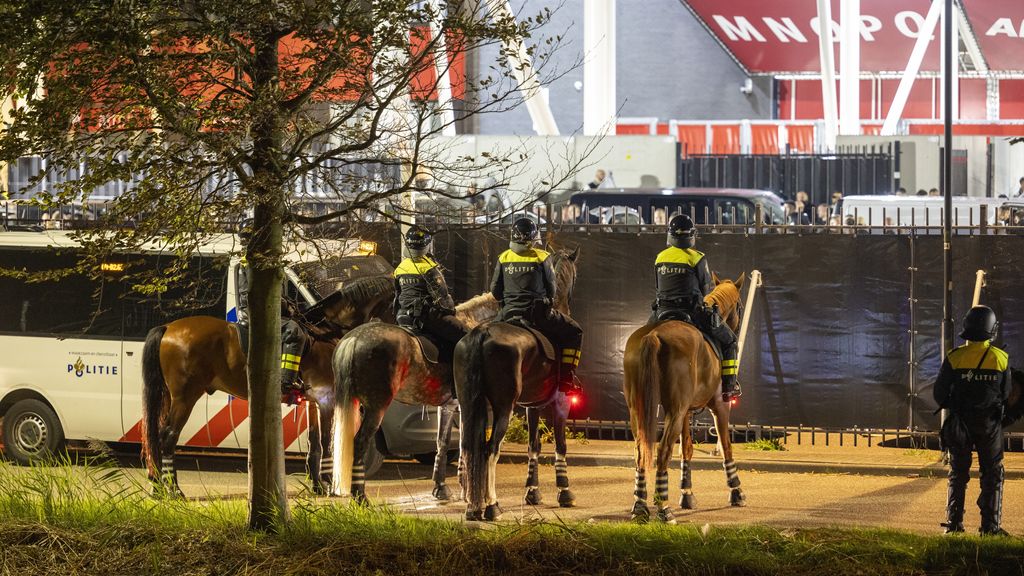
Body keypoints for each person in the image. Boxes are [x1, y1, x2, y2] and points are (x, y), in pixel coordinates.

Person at [934, 306, 1013, 536]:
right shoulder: (1001, 358)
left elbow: (939, 394)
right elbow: (1006, 393)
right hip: (989, 426)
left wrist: (958, 404)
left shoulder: (955, 357)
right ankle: (990, 528)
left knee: (958, 474)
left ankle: (954, 525)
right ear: (992, 329)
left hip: (960, 425)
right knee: (992, 475)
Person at [648, 214, 740, 402]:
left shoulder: (660, 257)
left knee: (644, 338)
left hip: (660, 312)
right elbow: (706, 290)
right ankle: (730, 386)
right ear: (691, 235)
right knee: (730, 340)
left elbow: (658, 288)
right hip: (692, 313)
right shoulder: (697, 258)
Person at [490, 218, 583, 393]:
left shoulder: (503, 257)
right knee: (574, 331)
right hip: (537, 315)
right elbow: (552, 290)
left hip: (507, 314)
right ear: (533, 238)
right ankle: (566, 379)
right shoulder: (543, 257)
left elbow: (495, 291)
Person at [235, 221, 310, 405]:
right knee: (293, 331)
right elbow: (260, 295)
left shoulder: (253, 259)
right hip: (256, 312)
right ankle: (286, 383)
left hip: (257, 309)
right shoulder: (255, 262)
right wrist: (285, 305)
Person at [393, 226, 468, 362]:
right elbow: (443, 302)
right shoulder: (429, 269)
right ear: (426, 246)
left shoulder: (400, 268)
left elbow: (397, 297)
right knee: (468, 337)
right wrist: (452, 311)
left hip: (402, 317)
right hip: (426, 319)